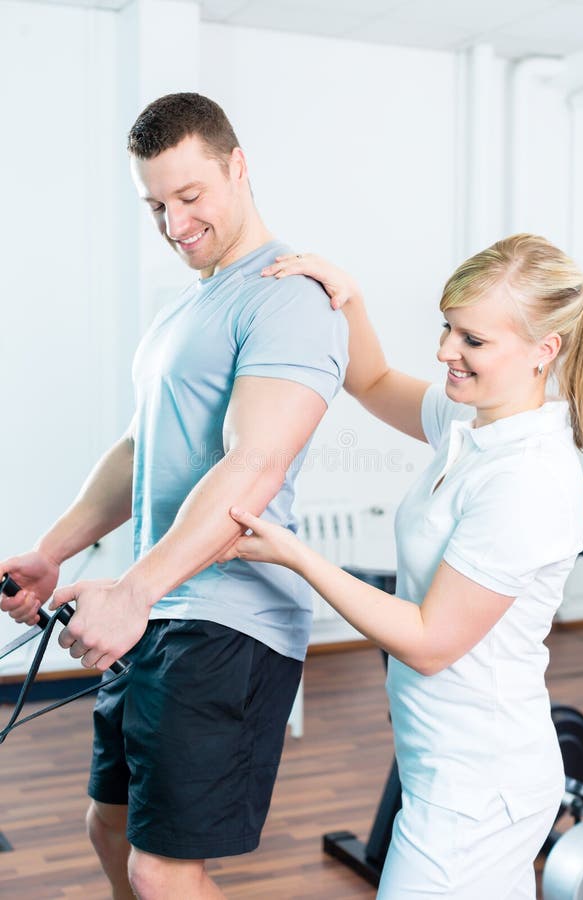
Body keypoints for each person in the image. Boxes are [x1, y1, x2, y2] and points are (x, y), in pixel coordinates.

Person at [0, 93, 348, 900]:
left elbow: (254, 464)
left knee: (163, 871)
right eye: (156, 204)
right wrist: (51, 555)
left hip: (230, 621)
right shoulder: (183, 309)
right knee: (110, 827)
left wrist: (133, 591)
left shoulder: (288, 297)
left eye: (190, 197)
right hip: (156, 611)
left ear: (238, 166)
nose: (174, 222)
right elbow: (138, 450)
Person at [219, 235, 583, 899]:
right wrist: (349, 296)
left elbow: (428, 642)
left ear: (545, 351)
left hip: (477, 791)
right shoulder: (473, 422)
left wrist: (298, 555)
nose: (445, 351)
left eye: (472, 340)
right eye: (447, 328)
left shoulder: (528, 479)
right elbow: (369, 381)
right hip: (451, 769)